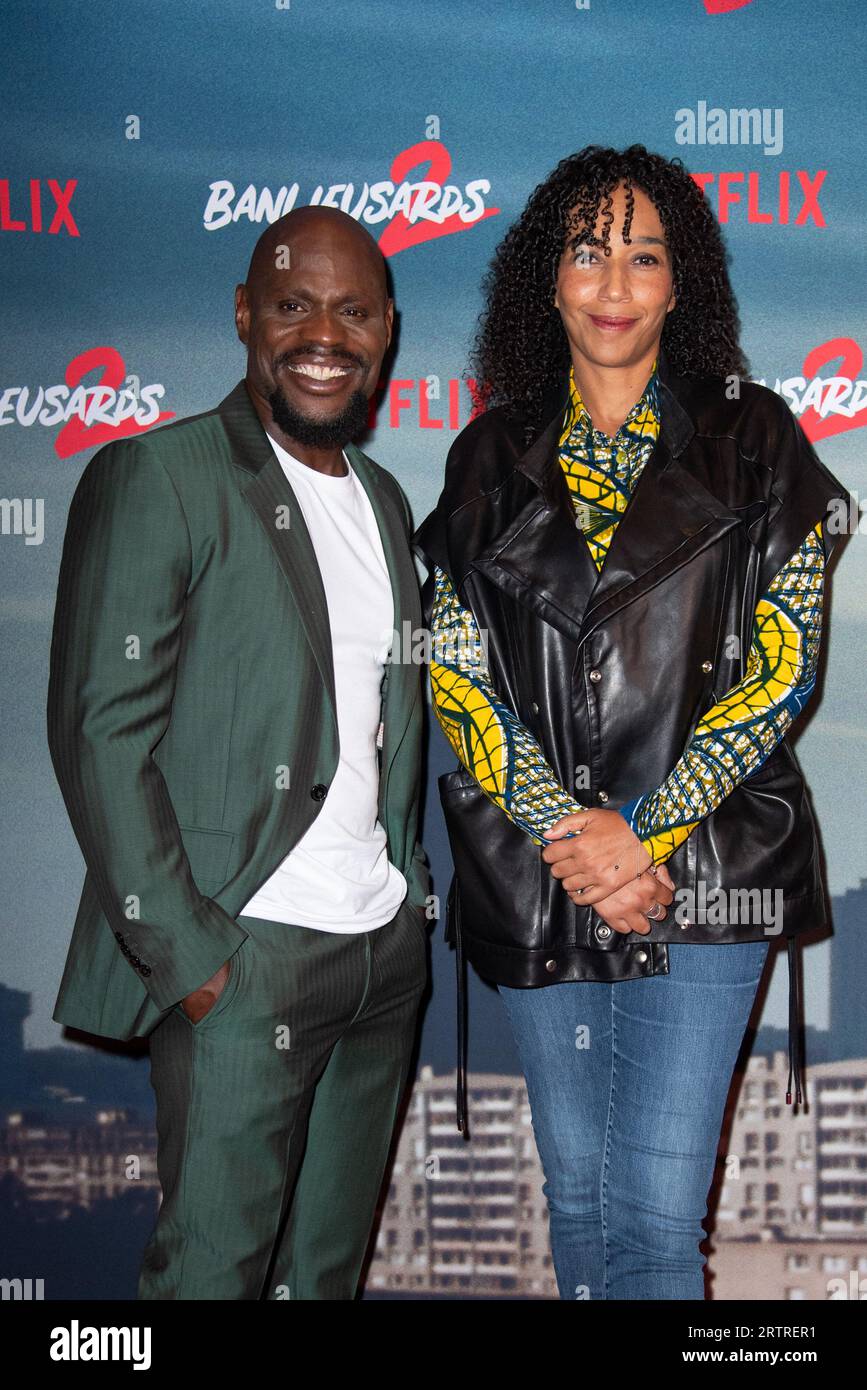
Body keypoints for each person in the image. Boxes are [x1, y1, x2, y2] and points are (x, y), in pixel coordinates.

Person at [413, 145, 848, 1300]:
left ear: (679, 284)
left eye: (643, 256)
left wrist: (645, 830)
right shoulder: (486, 459)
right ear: (544, 280)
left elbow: (786, 667)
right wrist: (582, 839)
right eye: (587, 251)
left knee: (654, 1217)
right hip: (542, 869)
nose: (613, 280)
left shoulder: (756, 438)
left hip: (710, 870)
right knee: (581, 1210)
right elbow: (456, 675)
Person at [47, 206, 430, 1300]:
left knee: (326, 1279)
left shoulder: (387, 503)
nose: (324, 333)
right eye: (294, 303)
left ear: (387, 332)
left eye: (352, 310)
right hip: (245, 956)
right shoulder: (159, 475)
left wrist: (407, 901)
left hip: (379, 958)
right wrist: (195, 960)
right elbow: (96, 729)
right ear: (243, 316)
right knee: (209, 1279)